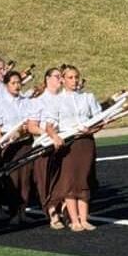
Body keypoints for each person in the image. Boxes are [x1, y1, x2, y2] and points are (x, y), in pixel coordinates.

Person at [45, 65, 102, 232]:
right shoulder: (57, 100)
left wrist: (91, 130)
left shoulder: (88, 97)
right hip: (68, 143)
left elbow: (100, 120)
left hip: (85, 142)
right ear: (62, 80)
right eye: (70, 77)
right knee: (70, 180)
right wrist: (55, 137)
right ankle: (74, 220)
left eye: (76, 77)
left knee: (84, 179)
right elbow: (49, 125)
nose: (74, 80)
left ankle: (84, 219)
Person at [0, 70, 32, 225]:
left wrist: (21, 132)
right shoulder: (0, 102)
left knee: (25, 178)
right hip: (8, 143)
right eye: (13, 83)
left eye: (19, 82)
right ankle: (13, 212)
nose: (17, 86)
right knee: (12, 178)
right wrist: (2, 142)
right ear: (6, 85)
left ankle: (23, 211)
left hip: (24, 142)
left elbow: (29, 122)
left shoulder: (25, 101)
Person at [26, 67, 64, 229]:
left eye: (61, 77)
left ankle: (62, 206)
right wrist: (47, 134)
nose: (60, 80)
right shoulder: (39, 101)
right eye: (57, 77)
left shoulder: (65, 99)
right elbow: (32, 126)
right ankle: (51, 211)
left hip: (64, 144)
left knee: (62, 178)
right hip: (45, 145)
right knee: (45, 180)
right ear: (47, 79)